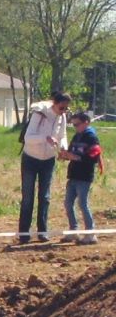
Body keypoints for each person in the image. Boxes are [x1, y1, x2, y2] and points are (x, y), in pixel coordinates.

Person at [18, 92, 71, 244]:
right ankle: (24, 233)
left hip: (48, 160)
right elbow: (28, 138)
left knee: (45, 197)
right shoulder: (39, 114)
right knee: (28, 197)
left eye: (66, 109)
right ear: (54, 103)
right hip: (30, 159)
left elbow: (62, 135)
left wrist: (63, 148)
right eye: (62, 107)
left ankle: (42, 232)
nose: (64, 111)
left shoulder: (62, 117)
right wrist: (45, 138)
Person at [59, 109, 103, 245]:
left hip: (84, 176)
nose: (75, 127)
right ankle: (74, 231)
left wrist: (75, 157)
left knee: (83, 204)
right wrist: (65, 155)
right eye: (73, 125)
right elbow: (71, 152)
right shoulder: (76, 137)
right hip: (73, 175)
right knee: (68, 203)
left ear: (86, 123)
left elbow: (93, 158)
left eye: (77, 124)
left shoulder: (92, 138)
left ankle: (90, 233)